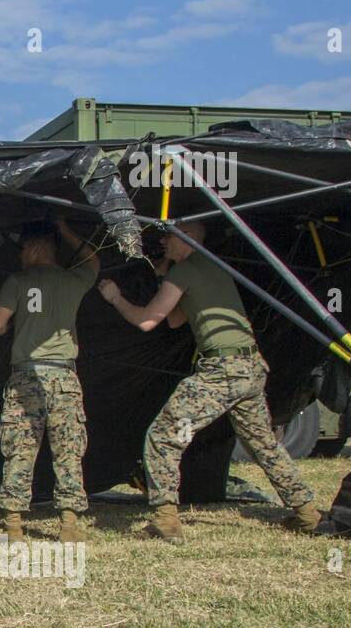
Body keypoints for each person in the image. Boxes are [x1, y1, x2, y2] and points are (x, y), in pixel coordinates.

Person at [97, 221, 318, 540]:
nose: (164, 242)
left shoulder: (185, 270)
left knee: (163, 436)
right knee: (264, 445)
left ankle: (165, 518)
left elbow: (148, 321)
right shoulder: (211, 269)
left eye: (169, 237)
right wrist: (163, 277)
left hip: (222, 369)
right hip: (250, 367)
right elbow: (176, 320)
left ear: (186, 241)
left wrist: (114, 297)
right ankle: (307, 513)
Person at [0, 218, 97, 543]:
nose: (20, 256)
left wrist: (9, 328)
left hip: (27, 376)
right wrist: (67, 229)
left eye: (23, 249)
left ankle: (14, 526)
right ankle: (69, 525)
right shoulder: (73, 279)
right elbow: (94, 260)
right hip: (64, 375)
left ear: (35, 249)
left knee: (20, 449)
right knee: (68, 449)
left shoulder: (18, 281)